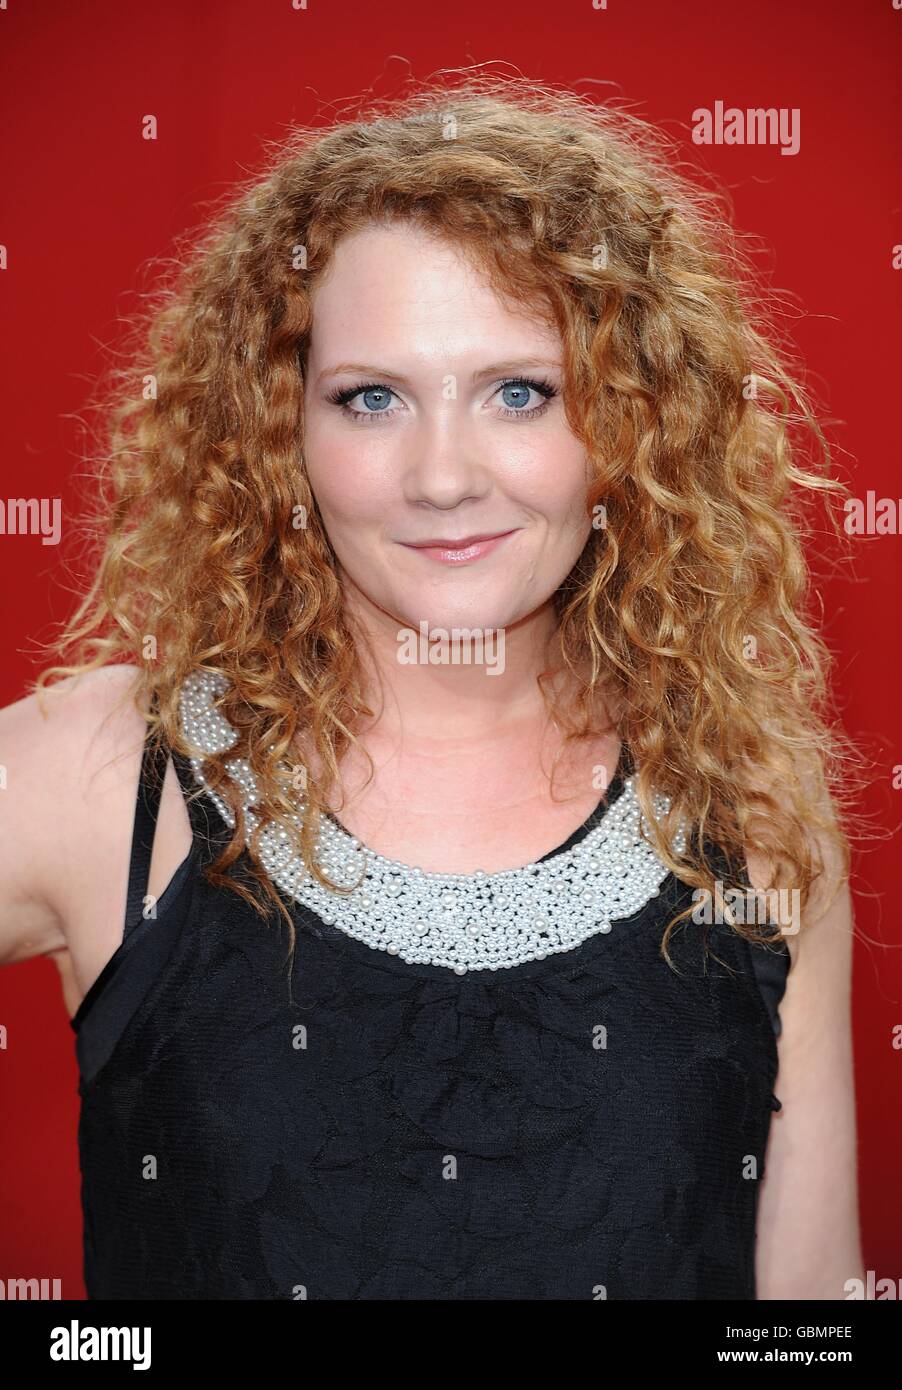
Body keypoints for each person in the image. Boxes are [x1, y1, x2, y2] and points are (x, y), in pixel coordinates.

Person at [0, 75, 863, 1299]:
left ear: (630, 426)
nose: (443, 476)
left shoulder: (752, 809)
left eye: (520, 391)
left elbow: (805, 1309)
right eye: (370, 398)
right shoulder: (99, 774)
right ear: (276, 431)